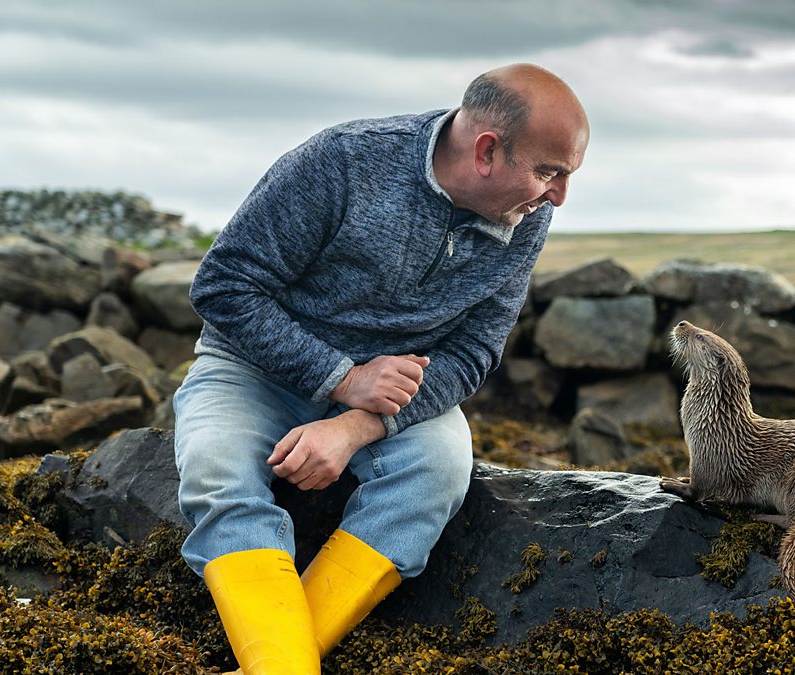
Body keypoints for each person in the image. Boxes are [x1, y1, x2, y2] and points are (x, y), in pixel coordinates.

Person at [173, 63, 589, 674]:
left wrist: (355, 423)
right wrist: (341, 378)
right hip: (251, 371)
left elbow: (475, 352)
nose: (557, 196)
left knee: (440, 469)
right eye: (549, 172)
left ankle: (280, 663)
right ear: (486, 151)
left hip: (395, 395)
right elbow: (223, 287)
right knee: (216, 470)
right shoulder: (342, 161)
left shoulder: (527, 213)